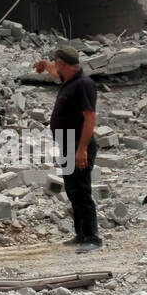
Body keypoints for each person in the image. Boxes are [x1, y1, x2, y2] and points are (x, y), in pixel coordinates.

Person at [33, 45, 101, 252]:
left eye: (56, 63)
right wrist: (44, 65)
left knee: (81, 190)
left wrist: (81, 150)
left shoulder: (83, 84)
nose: (55, 67)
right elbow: (54, 71)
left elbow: (90, 119)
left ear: (63, 63)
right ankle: (81, 234)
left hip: (78, 144)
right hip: (66, 141)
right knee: (73, 190)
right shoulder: (69, 79)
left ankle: (91, 237)